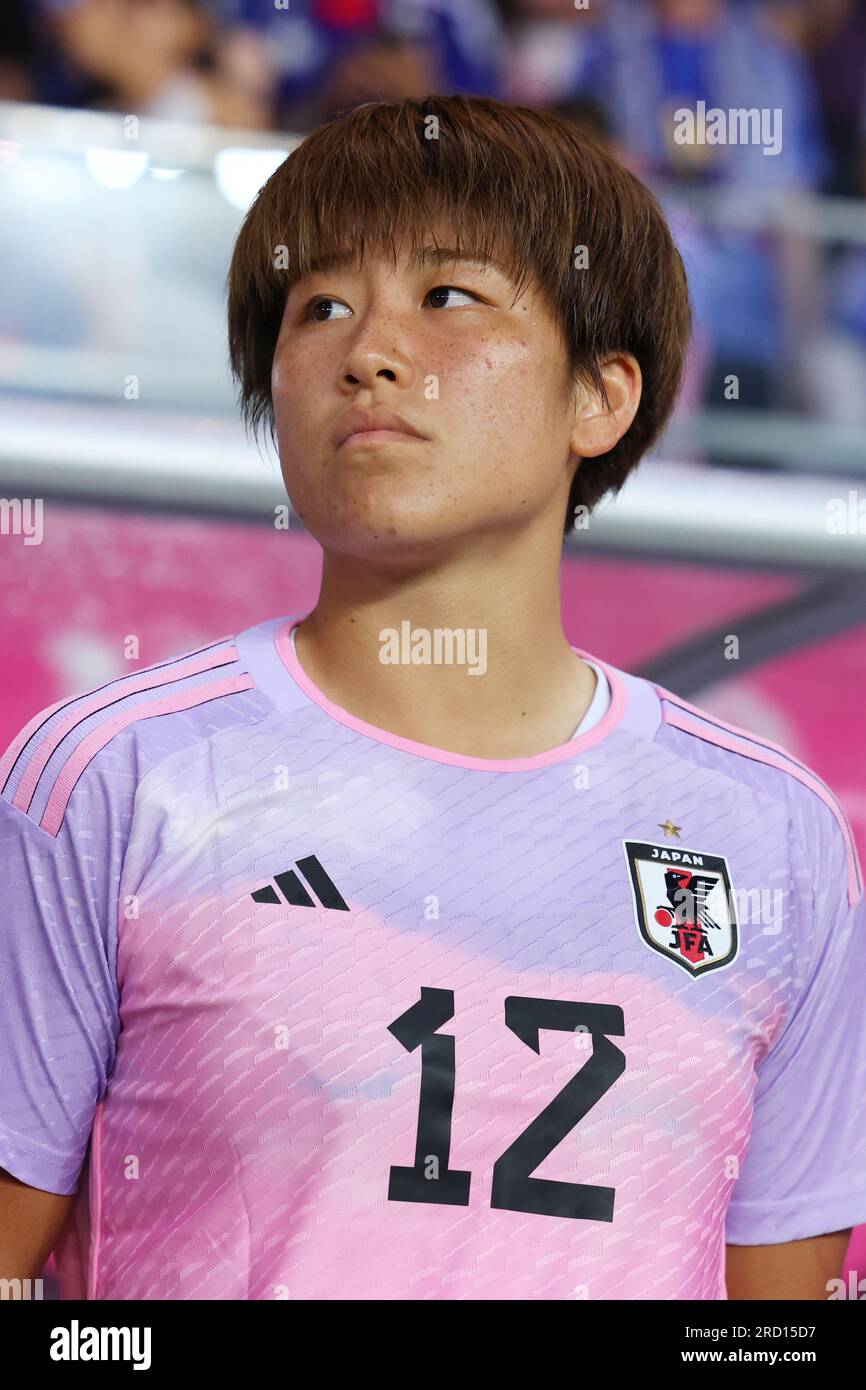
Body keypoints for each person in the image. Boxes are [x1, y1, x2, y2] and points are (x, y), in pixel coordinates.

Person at [1, 94, 864, 1301]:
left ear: (599, 397)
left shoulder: (773, 834)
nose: (369, 350)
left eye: (447, 296)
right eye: (321, 307)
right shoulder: (107, 777)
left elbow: (773, 1316)